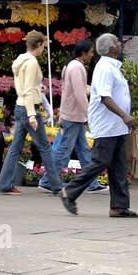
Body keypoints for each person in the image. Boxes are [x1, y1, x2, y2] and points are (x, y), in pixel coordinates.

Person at [61, 32, 138, 217]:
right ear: (112, 48)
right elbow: (105, 97)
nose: (121, 44)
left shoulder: (112, 66)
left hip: (116, 125)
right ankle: (70, 192)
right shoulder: (105, 67)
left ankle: (119, 206)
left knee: (119, 165)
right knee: (100, 161)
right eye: (118, 42)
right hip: (108, 124)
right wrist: (124, 116)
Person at [0, 31, 63, 196]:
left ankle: (5, 184)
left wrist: (37, 87)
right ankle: (55, 185)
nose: (44, 50)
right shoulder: (32, 63)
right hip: (29, 108)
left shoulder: (21, 60)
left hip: (20, 106)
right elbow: (27, 90)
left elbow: (25, 87)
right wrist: (32, 115)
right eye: (43, 46)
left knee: (15, 148)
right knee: (44, 148)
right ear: (39, 44)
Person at [38, 38, 100, 194]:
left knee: (84, 151)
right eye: (91, 52)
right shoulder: (77, 67)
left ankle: (92, 183)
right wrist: (90, 114)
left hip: (73, 116)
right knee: (63, 151)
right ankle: (47, 181)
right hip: (73, 116)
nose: (92, 54)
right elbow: (80, 94)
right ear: (84, 53)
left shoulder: (71, 65)